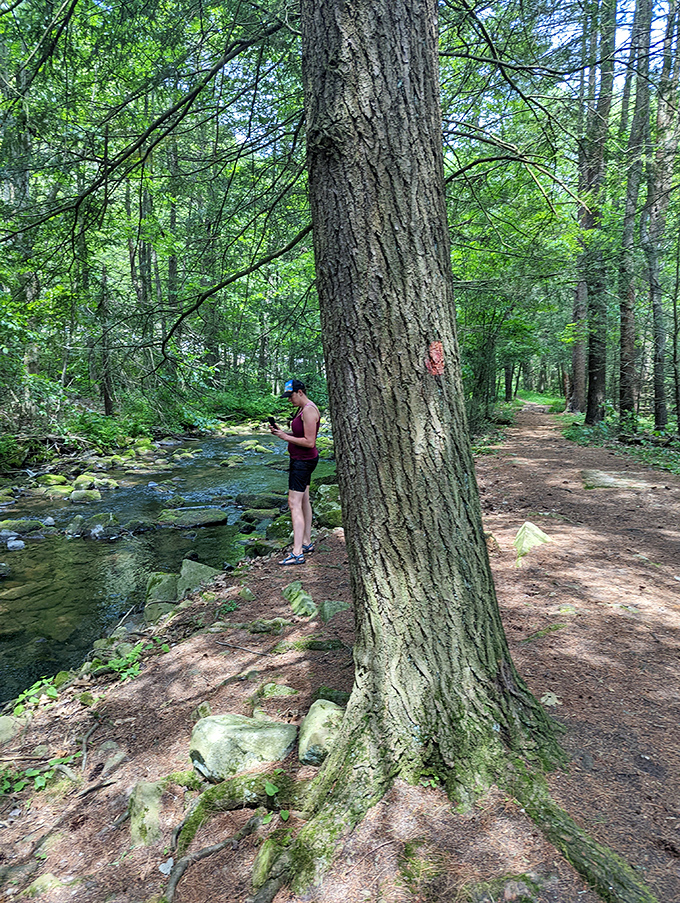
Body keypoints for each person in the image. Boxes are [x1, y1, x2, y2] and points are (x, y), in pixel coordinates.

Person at [270, 379, 320, 565]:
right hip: (302, 460)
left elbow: (309, 442)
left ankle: (297, 552)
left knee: (293, 503)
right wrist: (282, 432)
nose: (289, 400)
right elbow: (301, 436)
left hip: (303, 462)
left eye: (290, 396)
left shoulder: (308, 410)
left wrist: (284, 437)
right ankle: (306, 542)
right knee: (304, 499)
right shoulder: (302, 409)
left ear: (300, 392)